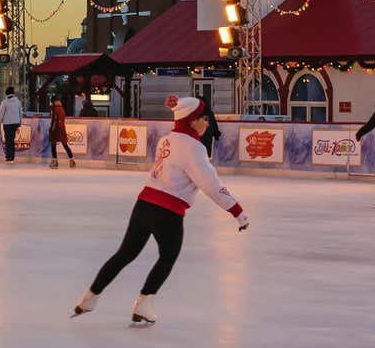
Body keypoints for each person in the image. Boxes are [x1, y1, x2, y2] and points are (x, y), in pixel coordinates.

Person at [74, 96, 248, 327]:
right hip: (167, 211)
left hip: (144, 204)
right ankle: (143, 303)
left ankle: (88, 298)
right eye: (204, 118)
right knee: (168, 256)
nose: (207, 123)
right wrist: (237, 211)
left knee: (125, 253)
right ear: (192, 120)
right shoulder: (194, 148)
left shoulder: (166, 140)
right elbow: (210, 184)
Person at [0, 87, 24, 163]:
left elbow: (1, 113)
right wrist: (20, 122)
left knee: (8, 140)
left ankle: (9, 157)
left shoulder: (5, 102)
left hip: (7, 123)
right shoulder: (18, 102)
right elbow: (21, 113)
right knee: (12, 140)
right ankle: (12, 157)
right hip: (15, 123)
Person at [49, 97, 76, 169]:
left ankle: (55, 162)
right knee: (65, 145)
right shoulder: (62, 108)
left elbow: (54, 119)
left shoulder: (54, 109)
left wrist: (52, 129)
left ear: (54, 102)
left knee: (53, 144)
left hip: (56, 129)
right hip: (62, 128)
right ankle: (72, 160)